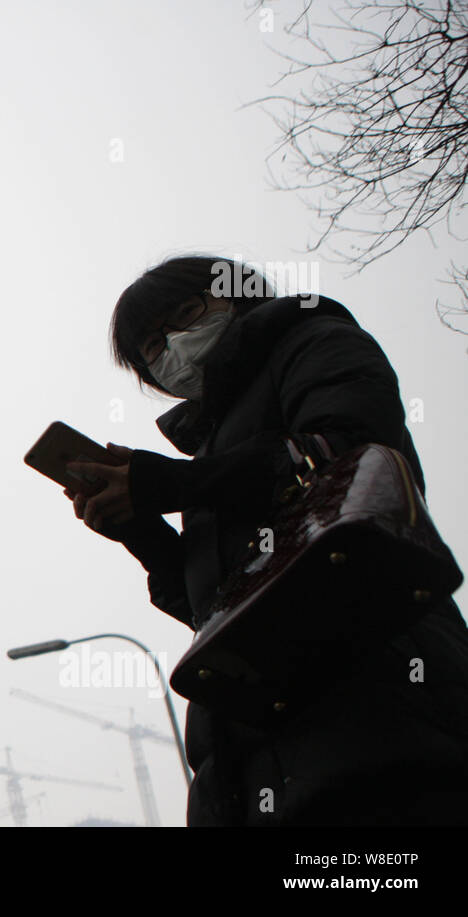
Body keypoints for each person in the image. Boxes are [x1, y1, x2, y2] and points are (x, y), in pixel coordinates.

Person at [63, 254, 468, 826]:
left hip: (380, 716)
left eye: (186, 312)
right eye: (152, 348)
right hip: (245, 762)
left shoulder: (314, 340)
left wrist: (170, 484)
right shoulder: (211, 449)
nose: (173, 345)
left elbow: (346, 449)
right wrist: (142, 530)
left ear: (240, 293)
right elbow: (219, 608)